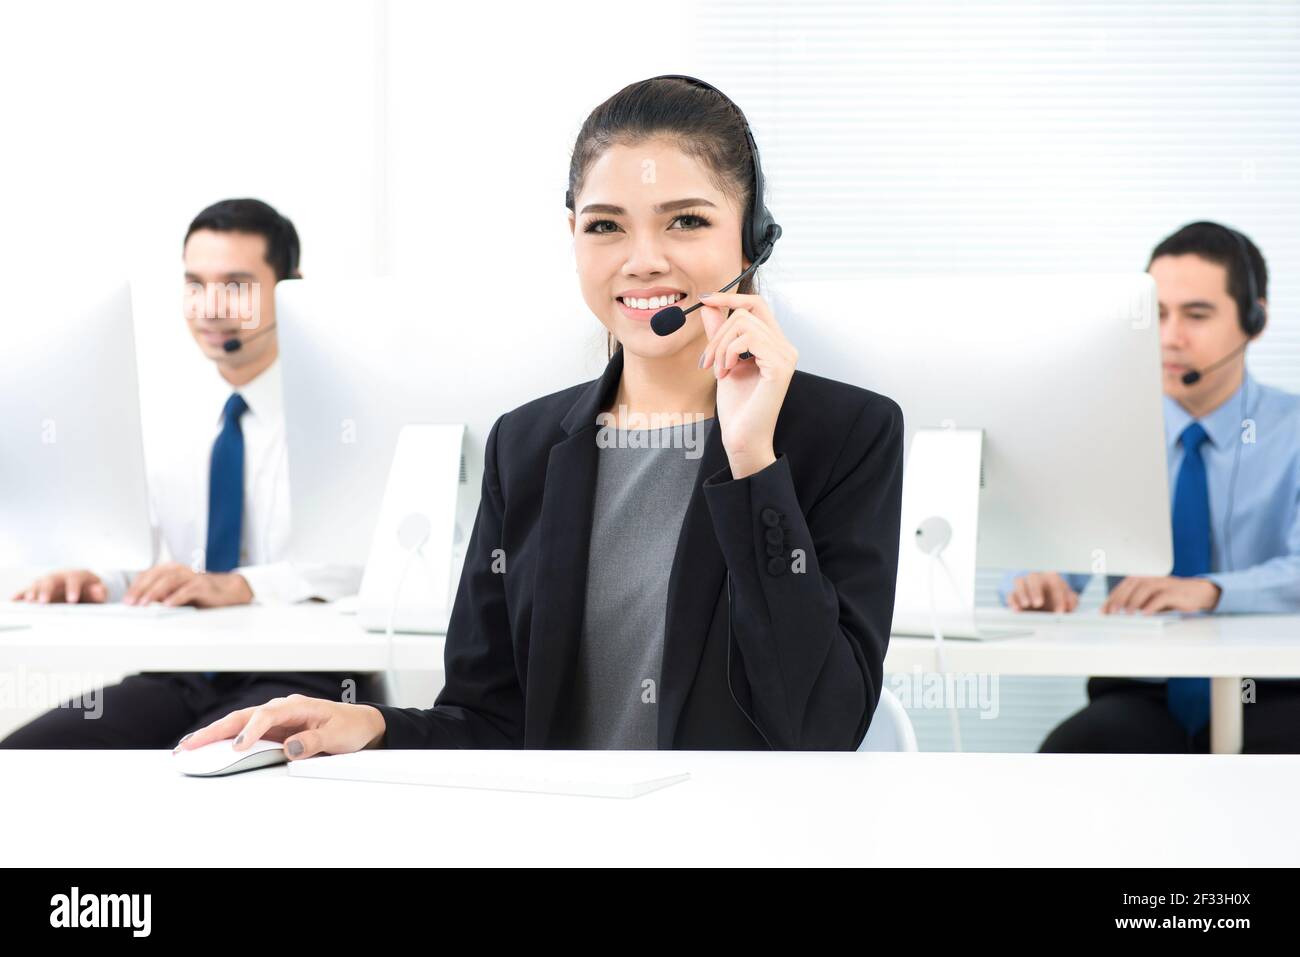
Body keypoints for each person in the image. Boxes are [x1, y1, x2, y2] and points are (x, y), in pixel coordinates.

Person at [179, 74, 904, 757]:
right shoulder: (525, 447)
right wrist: (371, 723)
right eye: (605, 226)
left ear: (750, 239)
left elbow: (821, 729)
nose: (643, 259)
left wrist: (752, 462)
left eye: (686, 220)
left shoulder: (845, 436)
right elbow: (492, 720)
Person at [2, 198, 367, 749]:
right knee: (24, 760)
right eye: (195, 284)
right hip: (183, 672)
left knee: (204, 773)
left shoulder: (347, 414)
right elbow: (155, 559)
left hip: (306, 680)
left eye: (236, 285)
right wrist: (100, 579)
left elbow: (376, 561)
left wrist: (241, 585)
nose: (210, 308)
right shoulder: (171, 417)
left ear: (291, 290)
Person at [1001, 221, 1300, 753]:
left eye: (1196, 315)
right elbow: (1049, 554)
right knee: (1071, 758)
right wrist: (1035, 581)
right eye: (1156, 315)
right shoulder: (1106, 429)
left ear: (1255, 320)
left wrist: (1208, 590)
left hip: (1274, 688)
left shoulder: (1291, 431)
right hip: (1142, 691)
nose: (1170, 337)